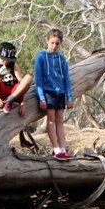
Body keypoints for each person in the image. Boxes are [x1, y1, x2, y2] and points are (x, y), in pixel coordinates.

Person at [34, 28, 74, 160]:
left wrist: (69, 97)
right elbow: (38, 79)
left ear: (60, 43)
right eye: (52, 42)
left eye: (57, 43)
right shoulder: (41, 57)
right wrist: (41, 97)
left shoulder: (62, 59)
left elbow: (66, 79)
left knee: (60, 120)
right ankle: (56, 149)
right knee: (51, 120)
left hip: (60, 92)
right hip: (48, 92)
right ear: (47, 41)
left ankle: (63, 148)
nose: (54, 46)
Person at [0, 41, 32, 116]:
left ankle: (10, 100)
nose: (9, 61)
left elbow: (22, 84)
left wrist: (23, 103)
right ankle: (2, 100)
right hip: (1, 93)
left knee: (28, 78)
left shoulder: (13, 65)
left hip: (14, 93)